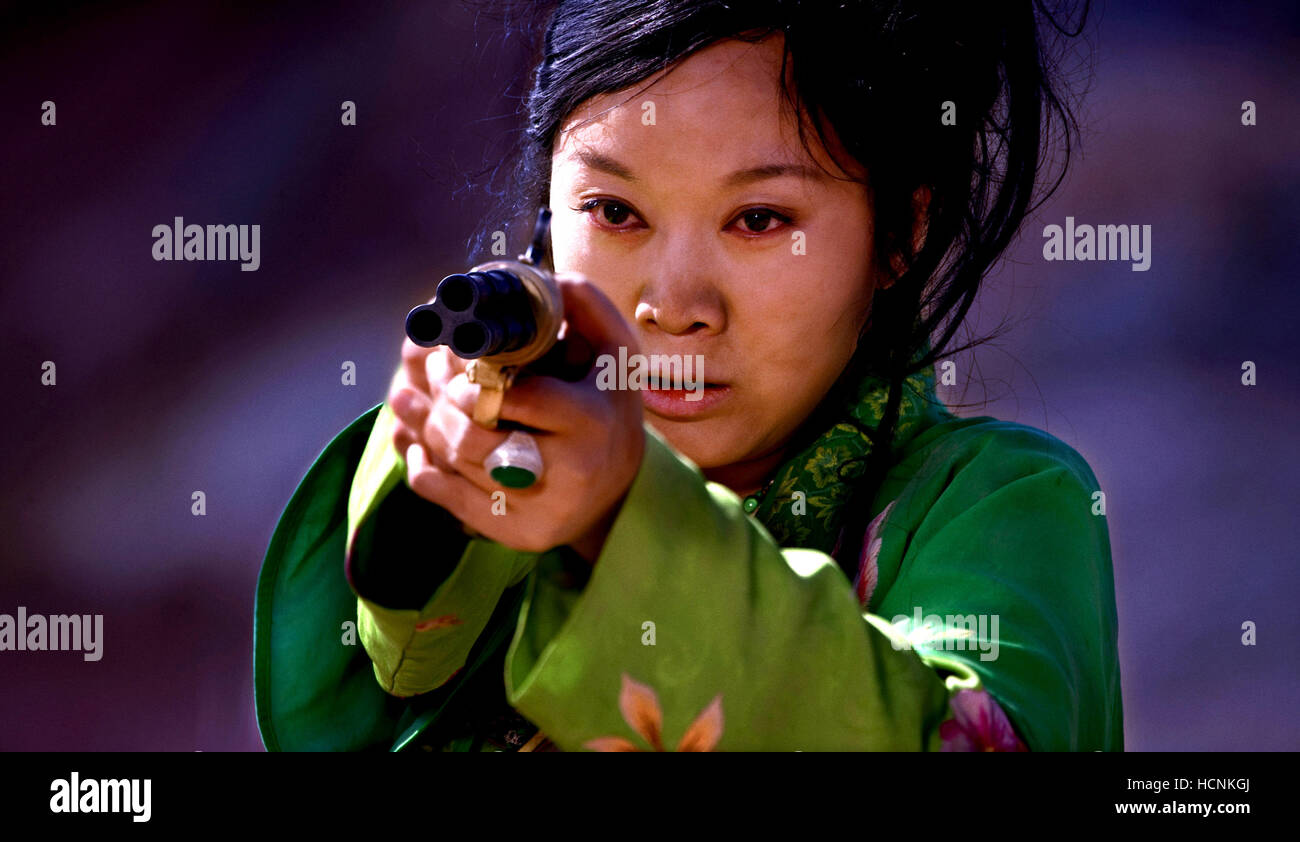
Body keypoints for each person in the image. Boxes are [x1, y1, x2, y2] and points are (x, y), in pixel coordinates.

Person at [254, 0, 1122, 752]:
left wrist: (625, 522)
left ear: (900, 230)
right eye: (614, 211)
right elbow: (403, 656)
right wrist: (441, 481)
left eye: (757, 218)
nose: (675, 305)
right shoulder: (526, 438)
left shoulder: (1005, 504)